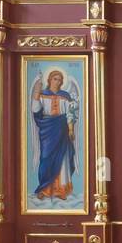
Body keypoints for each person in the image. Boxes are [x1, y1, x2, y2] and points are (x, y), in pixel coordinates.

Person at [31, 69, 78, 201]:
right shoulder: (42, 94)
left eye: (60, 80)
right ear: (49, 80)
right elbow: (36, 111)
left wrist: (71, 129)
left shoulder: (65, 96)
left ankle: (60, 190)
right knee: (46, 158)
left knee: (62, 159)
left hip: (62, 129)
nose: (58, 82)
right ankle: (44, 189)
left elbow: (70, 114)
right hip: (47, 130)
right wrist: (36, 93)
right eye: (55, 79)